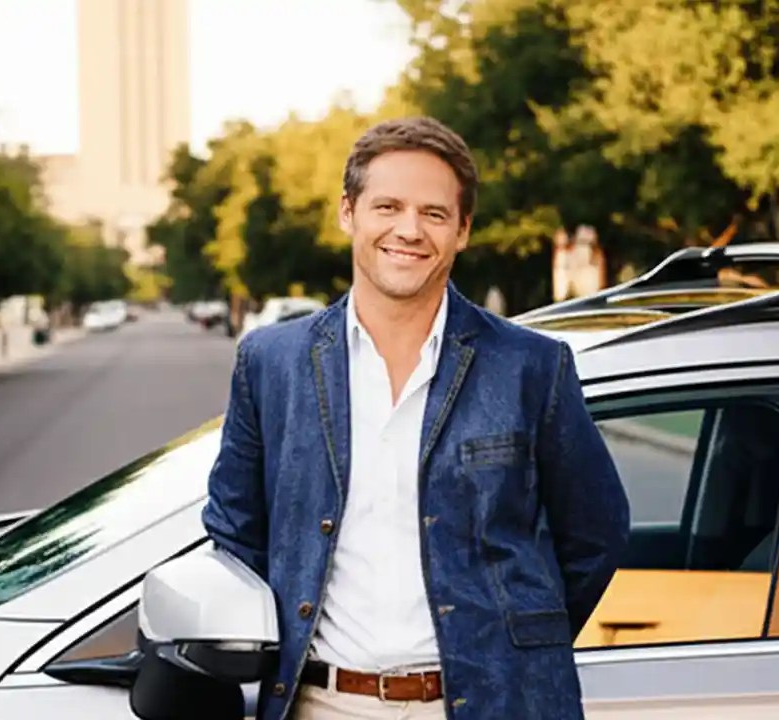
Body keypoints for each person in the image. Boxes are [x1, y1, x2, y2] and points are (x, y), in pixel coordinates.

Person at [201, 116, 630, 720]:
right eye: (388, 207)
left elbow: (595, 533)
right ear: (348, 212)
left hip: (492, 705)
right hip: (321, 703)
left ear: (463, 230)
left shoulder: (531, 366)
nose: (409, 230)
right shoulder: (272, 363)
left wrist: (514, 648)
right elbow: (236, 534)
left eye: (434, 213)